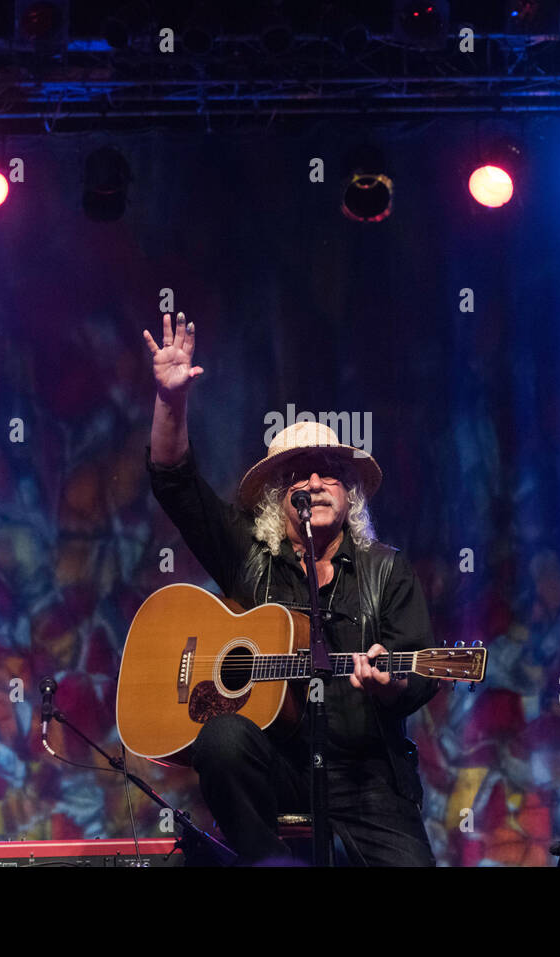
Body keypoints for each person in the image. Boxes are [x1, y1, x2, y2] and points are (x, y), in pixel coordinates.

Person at [143, 310, 439, 865]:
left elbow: (419, 674)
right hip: (275, 767)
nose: (312, 483)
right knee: (223, 737)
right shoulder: (250, 560)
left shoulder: (386, 572)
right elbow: (175, 484)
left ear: (350, 494)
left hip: (367, 779)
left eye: (328, 472)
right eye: (296, 475)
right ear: (277, 499)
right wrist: (171, 400)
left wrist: (388, 686)